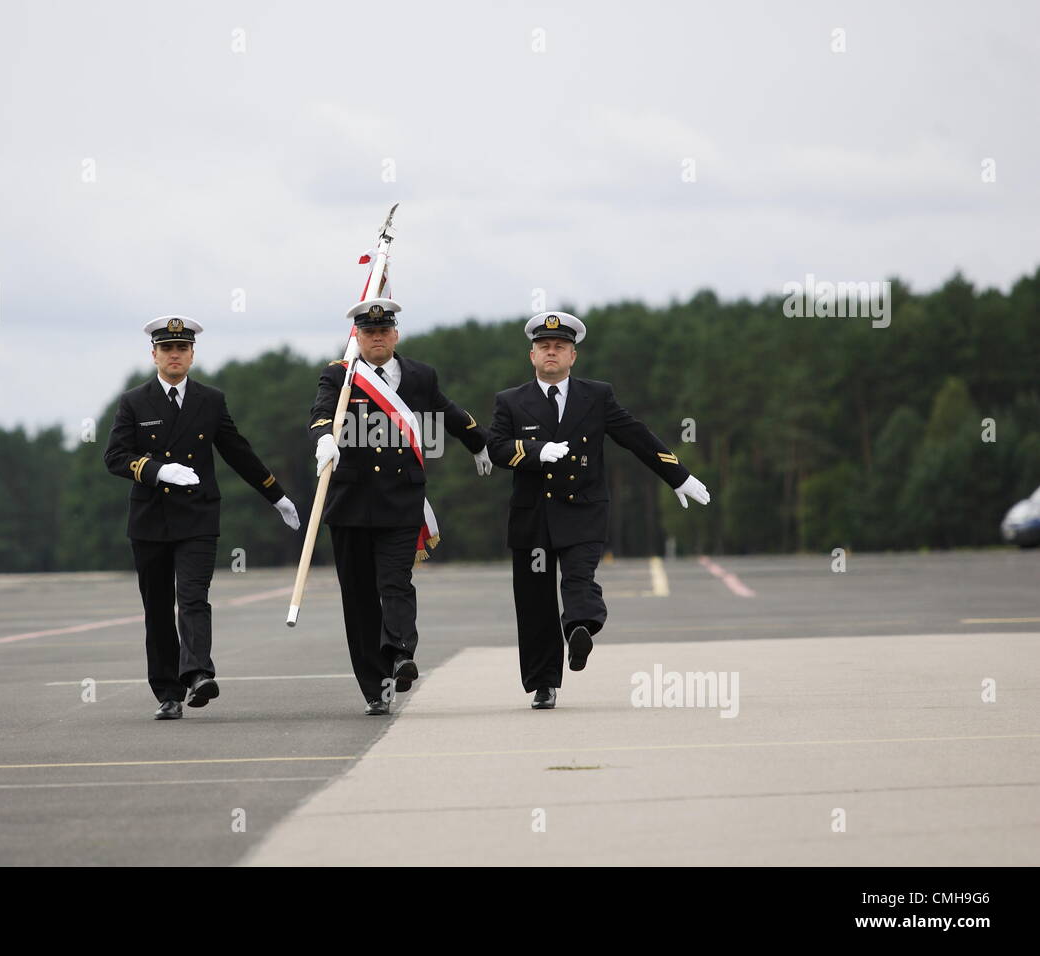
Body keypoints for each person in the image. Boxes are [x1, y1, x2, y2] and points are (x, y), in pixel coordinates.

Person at [487, 312, 710, 710]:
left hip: (583, 510)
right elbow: (497, 449)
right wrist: (537, 452)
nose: (551, 352)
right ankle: (543, 683)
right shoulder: (511, 401)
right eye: (544, 347)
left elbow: (636, 436)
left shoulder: (597, 396)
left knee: (579, 577)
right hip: (533, 515)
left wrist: (677, 476)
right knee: (534, 602)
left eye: (559, 347)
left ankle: (578, 630)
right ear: (532, 355)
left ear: (573, 356)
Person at [104, 315, 301, 720]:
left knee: (193, 598)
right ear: (154, 354)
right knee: (157, 607)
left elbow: (237, 451)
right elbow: (115, 458)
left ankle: (198, 674)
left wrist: (276, 494)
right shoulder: (134, 402)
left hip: (197, 516)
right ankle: (168, 692)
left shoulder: (210, 400)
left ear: (192, 354)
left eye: (182, 348)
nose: (174, 355)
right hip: (150, 520)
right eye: (167, 349)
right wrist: (157, 469)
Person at [308, 298, 492, 715]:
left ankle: (400, 652)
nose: (377, 337)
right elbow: (320, 415)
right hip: (351, 503)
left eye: (383, 331)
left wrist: (478, 441)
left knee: (395, 582)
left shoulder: (419, 376)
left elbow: (447, 411)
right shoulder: (340, 376)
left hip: (400, 500)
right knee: (358, 598)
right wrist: (322, 439)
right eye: (368, 332)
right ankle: (375, 688)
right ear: (357, 336)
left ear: (395, 334)